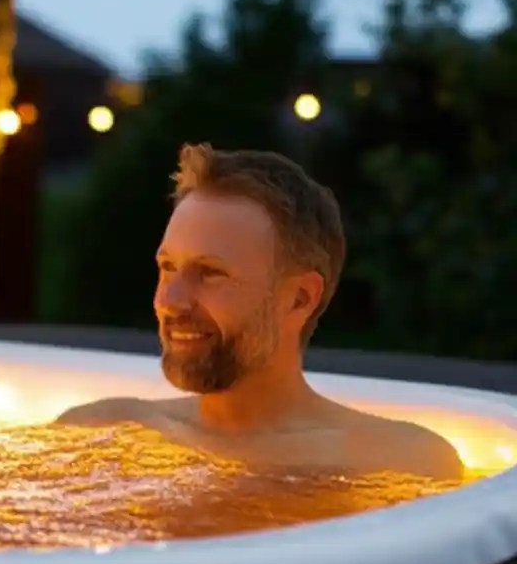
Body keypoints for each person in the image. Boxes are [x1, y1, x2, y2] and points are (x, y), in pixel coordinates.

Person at [57, 143, 464, 480]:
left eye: (211, 273)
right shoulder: (97, 432)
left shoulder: (402, 463)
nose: (171, 301)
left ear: (300, 298)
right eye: (168, 268)